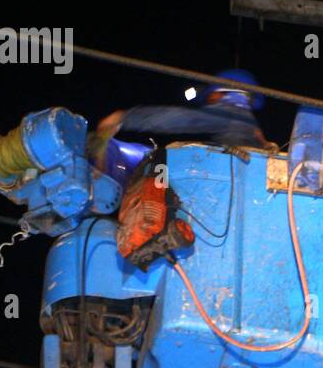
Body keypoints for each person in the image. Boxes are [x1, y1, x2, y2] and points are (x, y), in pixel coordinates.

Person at [87, 68, 270, 266]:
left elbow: (182, 118)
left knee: (158, 170)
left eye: (213, 95)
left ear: (227, 93)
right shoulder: (251, 129)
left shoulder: (232, 113)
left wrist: (125, 118)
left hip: (222, 206)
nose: (211, 100)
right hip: (245, 212)